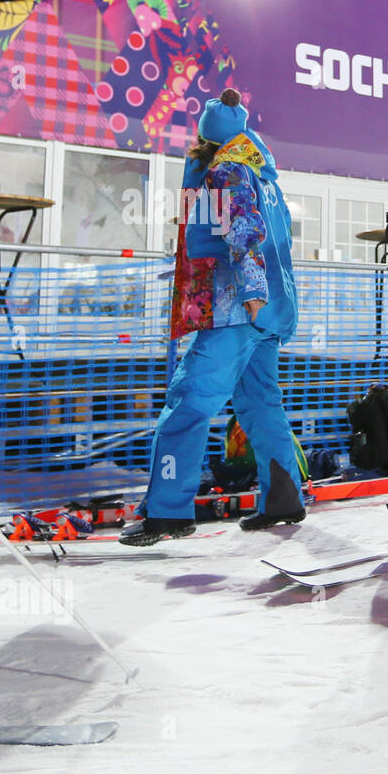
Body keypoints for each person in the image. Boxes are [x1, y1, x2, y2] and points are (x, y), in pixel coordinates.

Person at [121, 88, 303, 545]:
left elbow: (244, 230)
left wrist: (251, 290)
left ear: (206, 136)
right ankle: (283, 499)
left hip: (235, 309)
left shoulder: (224, 169)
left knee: (189, 401)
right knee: (260, 404)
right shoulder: (261, 171)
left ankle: (167, 512)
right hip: (269, 311)